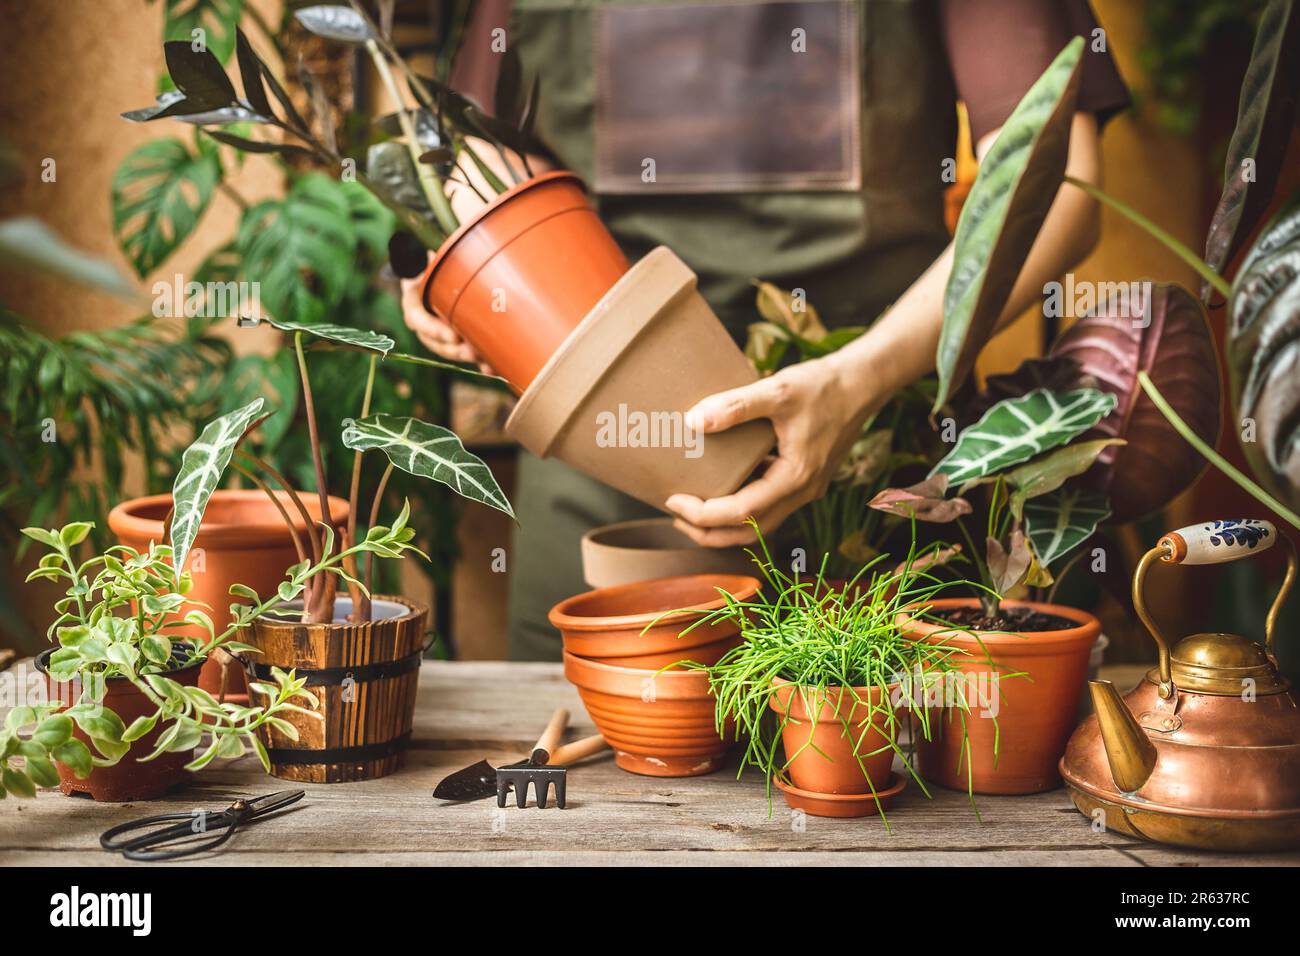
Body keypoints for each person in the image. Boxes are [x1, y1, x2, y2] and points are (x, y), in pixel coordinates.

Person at [401, 0, 1130, 660]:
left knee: (894, 785)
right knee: (598, 790)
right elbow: (482, 157)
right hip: (604, 495)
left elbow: (1057, 180)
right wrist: (458, 265)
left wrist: (858, 378)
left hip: (876, 478)